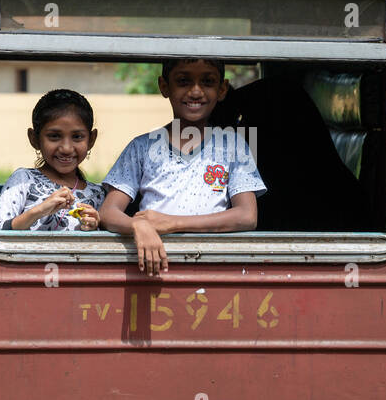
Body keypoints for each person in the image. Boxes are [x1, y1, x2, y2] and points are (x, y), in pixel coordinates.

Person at [101, 58, 265, 275]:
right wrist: (138, 226)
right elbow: (108, 212)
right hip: (152, 269)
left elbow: (246, 216)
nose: (195, 92)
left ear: (222, 89)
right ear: (164, 86)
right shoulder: (142, 146)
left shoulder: (233, 145)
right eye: (183, 81)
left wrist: (172, 223)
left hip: (215, 267)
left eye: (207, 82)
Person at [0, 89, 105, 232]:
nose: (66, 148)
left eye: (77, 137)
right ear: (34, 139)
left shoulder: (99, 194)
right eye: (54, 136)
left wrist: (94, 227)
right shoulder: (24, 180)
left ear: (91, 139)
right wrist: (39, 210)